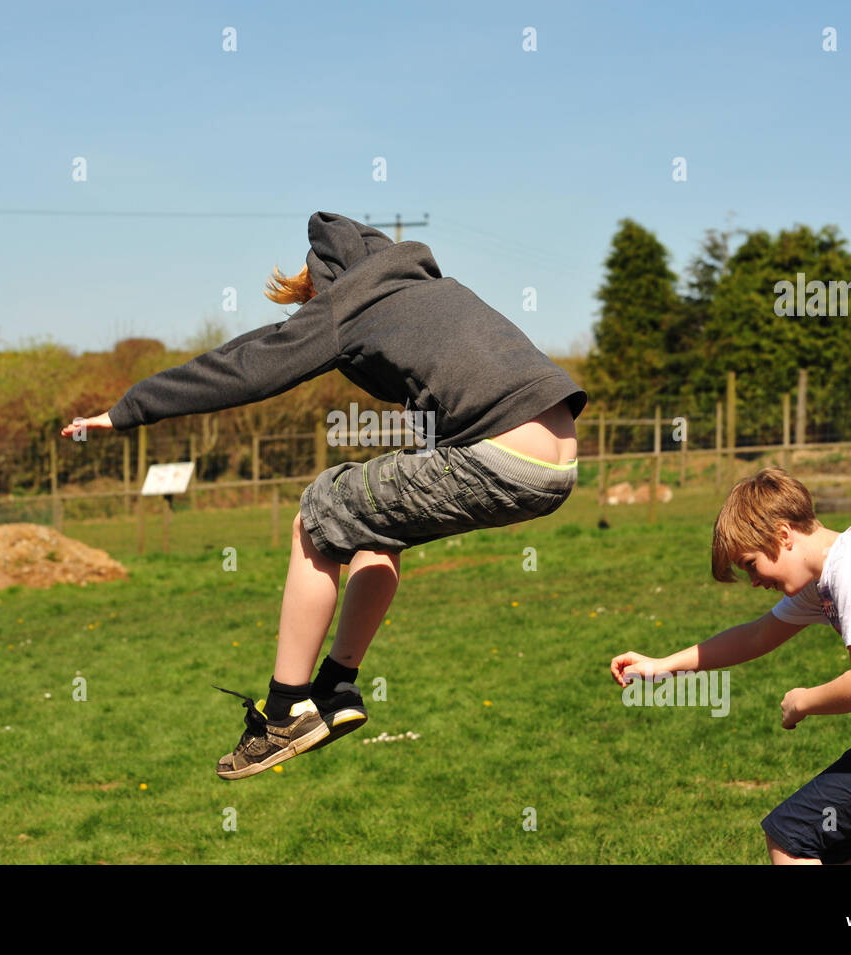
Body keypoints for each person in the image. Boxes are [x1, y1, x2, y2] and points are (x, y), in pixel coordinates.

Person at [63, 211, 587, 779]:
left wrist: (125, 412)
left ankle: (286, 709)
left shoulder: (348, 303)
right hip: (557, 462)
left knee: (317, 517)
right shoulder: (437, 291)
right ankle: (337, 689)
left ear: (327, 279)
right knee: (373, 523)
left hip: (498, 456)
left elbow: (244, 366)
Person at [610, 466, 851, 864]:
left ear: (782, 535)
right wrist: (662, 666)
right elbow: (756, 636)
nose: (753, 581)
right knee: (822, 842)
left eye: (749, 563)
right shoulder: (829, 573)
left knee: (792, 837)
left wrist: (803, 701)